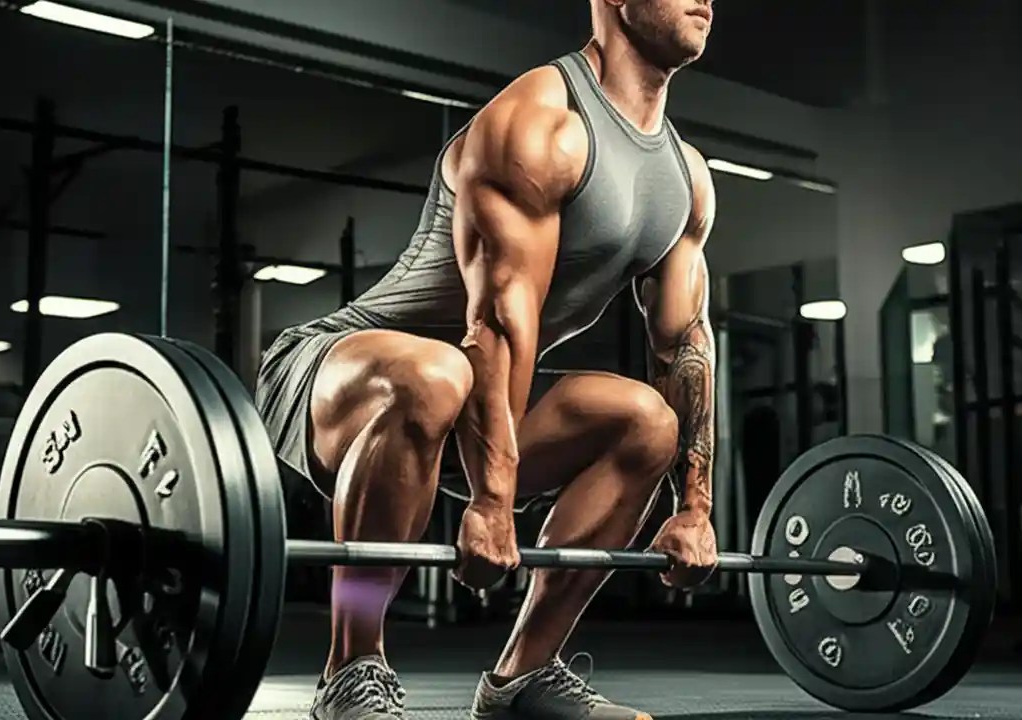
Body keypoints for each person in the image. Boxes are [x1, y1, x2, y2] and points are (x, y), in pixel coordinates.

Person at [256, 1, 719, 718]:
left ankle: (522, 679)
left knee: (647, 423)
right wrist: (491, 501)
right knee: (438, 373)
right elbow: (499, 322)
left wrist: (695, 509)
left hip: (473, 397)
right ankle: (351, 666)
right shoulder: (537, 123)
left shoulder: (685, 178)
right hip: (335, 375)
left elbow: (685, 342)